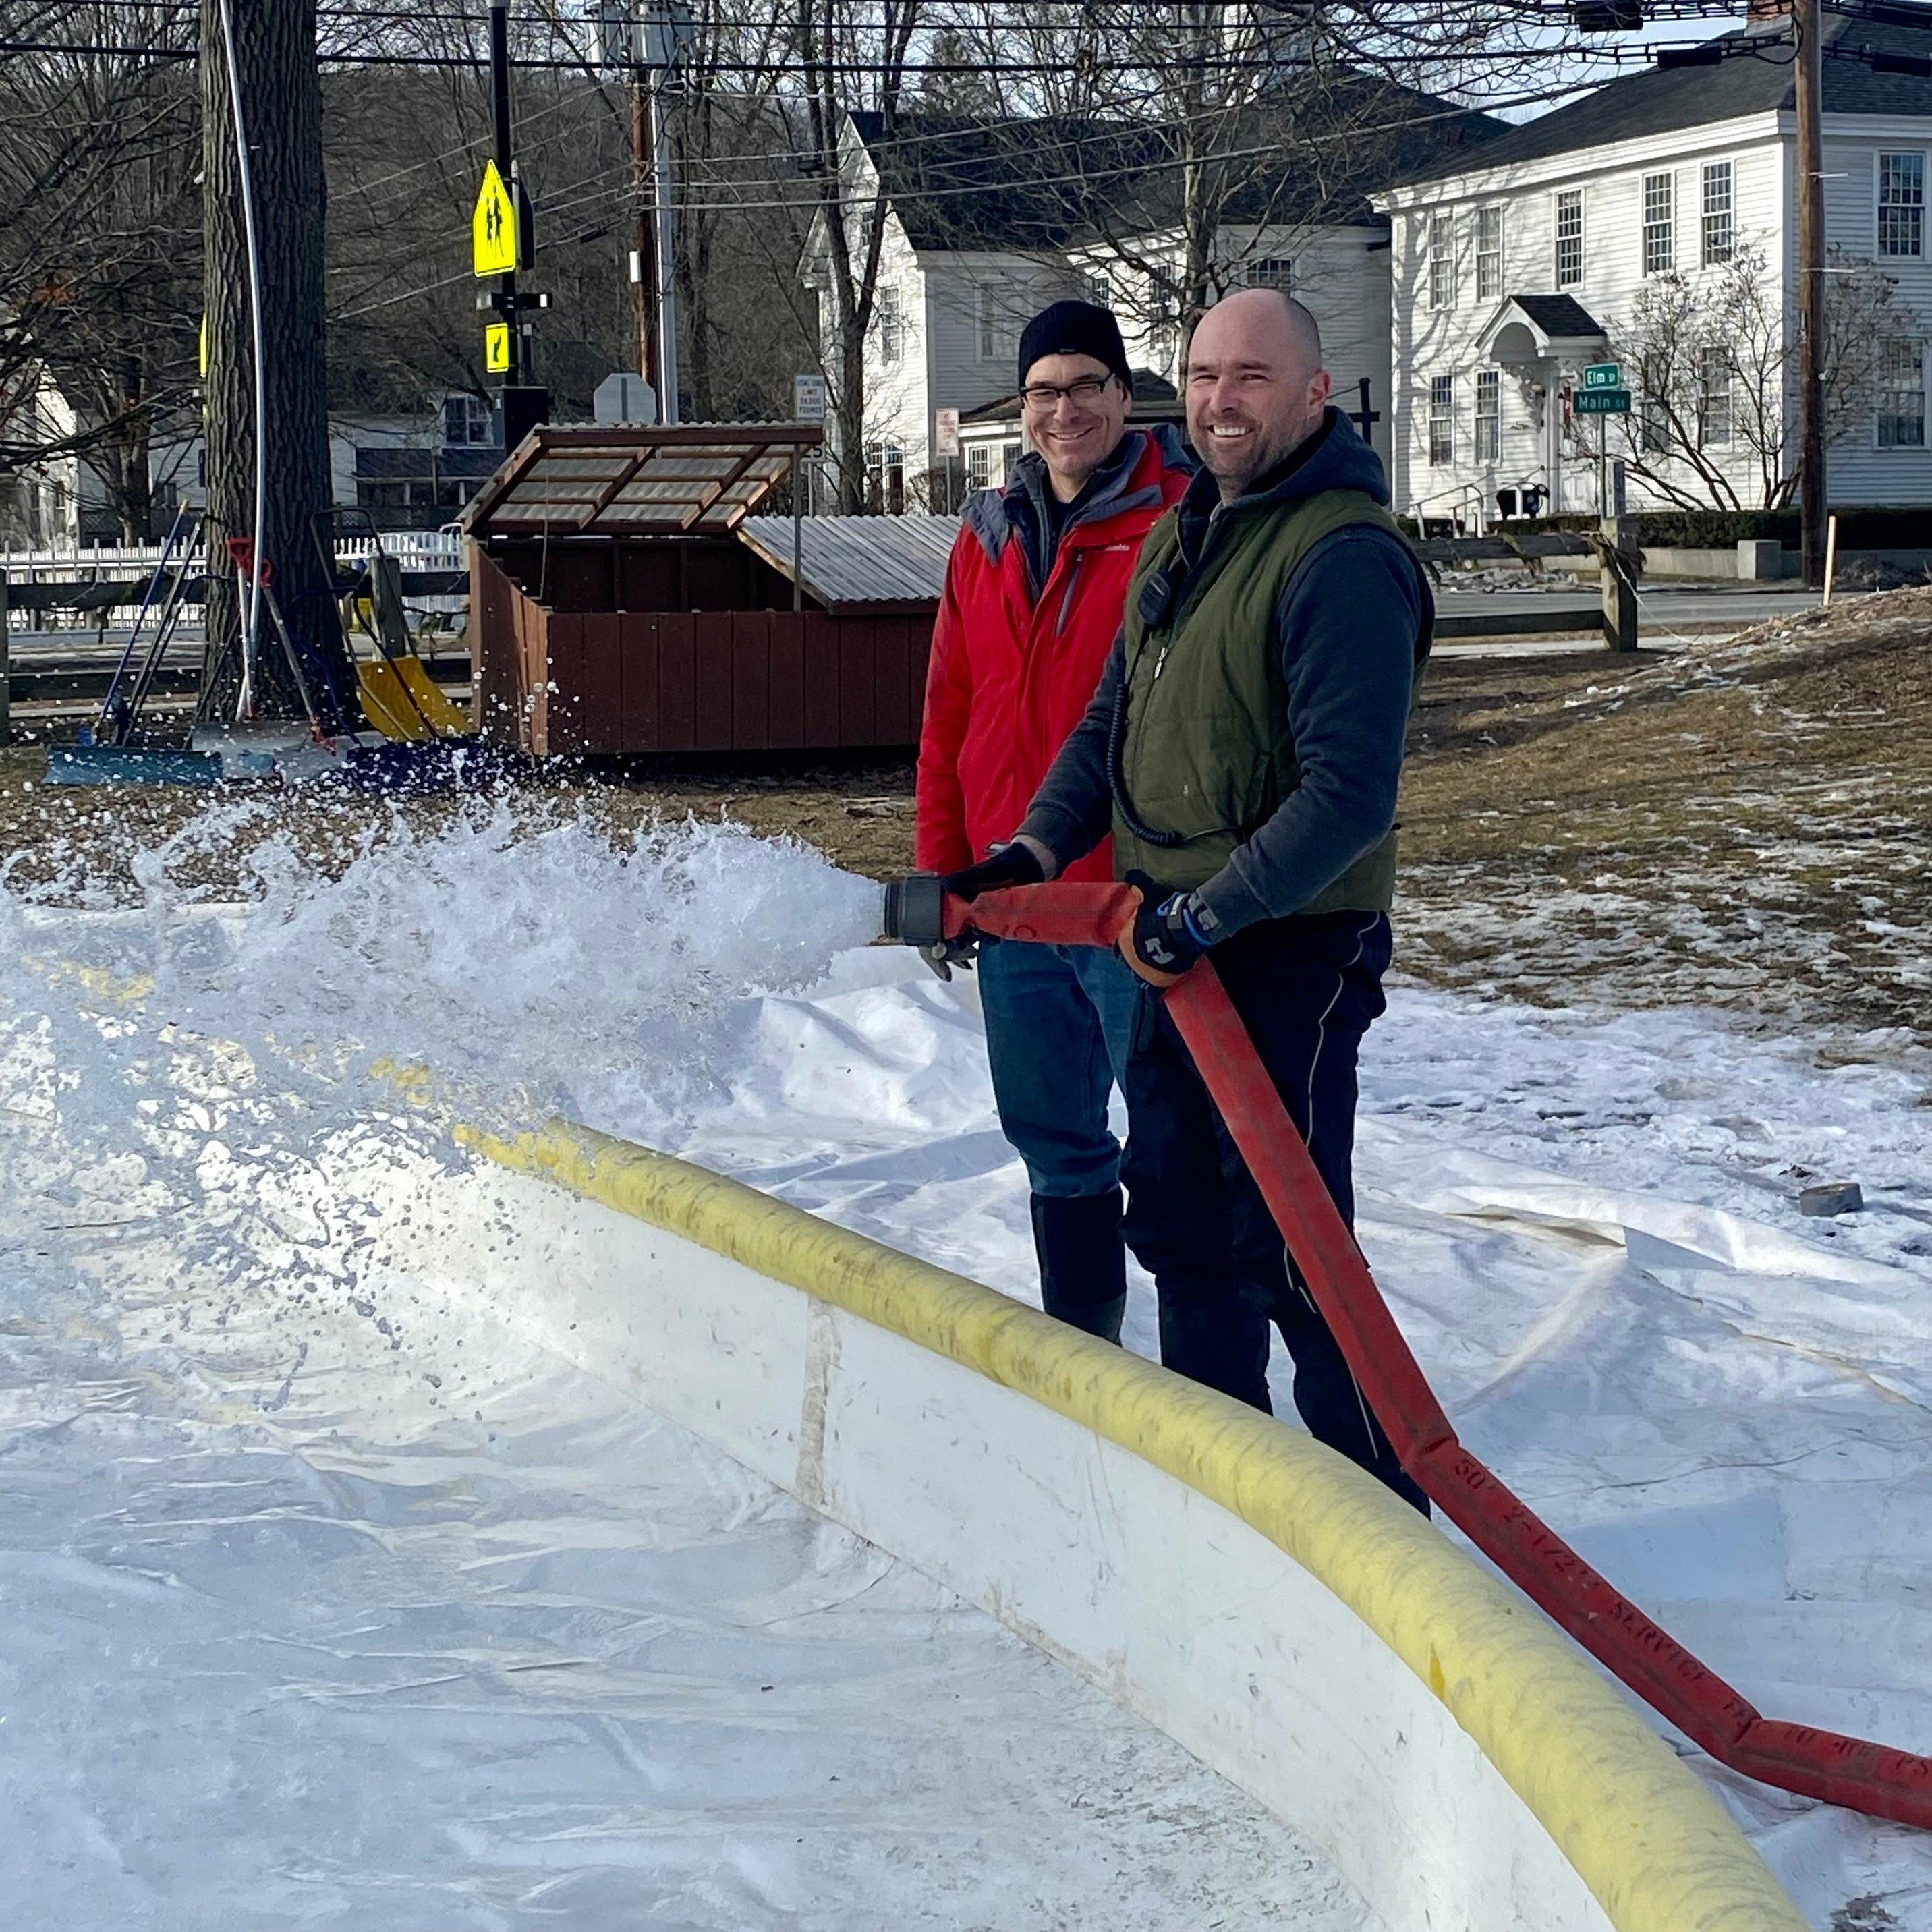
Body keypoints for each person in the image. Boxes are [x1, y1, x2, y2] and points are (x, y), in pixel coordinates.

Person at [971, 288, 1434, 1512]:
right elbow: (1110, 721)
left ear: (1317, 392)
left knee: (1288, 1244)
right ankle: (1226, 1491)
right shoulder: (1193, 532)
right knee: (1178, 1222)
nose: (1222, 401)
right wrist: (1033, 849)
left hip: (1284, 948)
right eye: (1206, 375)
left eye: (1253, 377)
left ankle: (1383, 1519)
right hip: (1170, 938)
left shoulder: (1341, 554)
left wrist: (1208, 916)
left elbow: (1348, 796)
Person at [915, 300, 1194, 1346]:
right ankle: (1088, 1363)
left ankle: (1207, 1384)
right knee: (1051, 1137)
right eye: (1043, 391)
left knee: (1171, 1146)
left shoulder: (1179, 517)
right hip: (1013, 894)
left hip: (1131, 894)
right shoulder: (986, 536)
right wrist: (944, 871)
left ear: (1125, 395)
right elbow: (949, 708)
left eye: (1085, 385)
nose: (1063, 409)